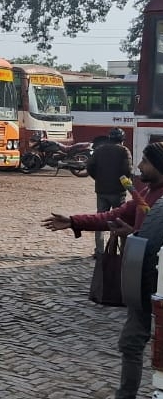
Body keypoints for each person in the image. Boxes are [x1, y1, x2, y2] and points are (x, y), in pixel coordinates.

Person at [42, 142, 163, 399]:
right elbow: (115, 214)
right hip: (141, 280)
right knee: (130, 343)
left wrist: (135, 235)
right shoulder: (146, 191)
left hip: (161, 282)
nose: (139, 167)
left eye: (146, 162)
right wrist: (75, 221)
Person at [85, 127, 133, 258]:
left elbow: (89, 167)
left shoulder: (99, 150)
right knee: (120, 220)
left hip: (101, 190)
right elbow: (127, 170)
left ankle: (99, 251)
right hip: (118, 192)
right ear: (122, 140)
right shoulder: (124, 151)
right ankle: (121, 251)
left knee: (100, 220)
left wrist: (98, 178)